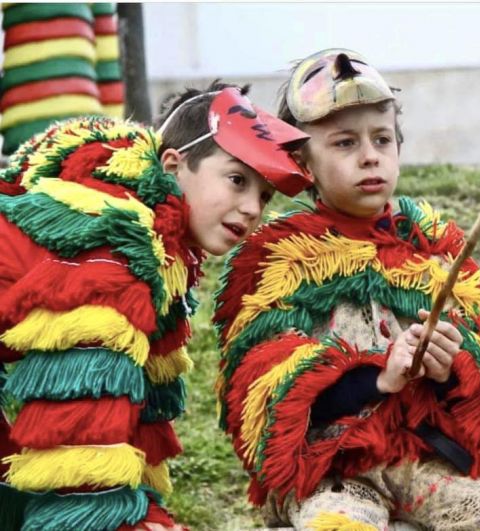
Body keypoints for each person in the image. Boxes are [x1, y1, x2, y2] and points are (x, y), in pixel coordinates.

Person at [213, 48, 480, 530]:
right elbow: (258, 396)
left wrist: (453, 365)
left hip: (427, 464)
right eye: (344, 143)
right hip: (330, 473)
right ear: (304, 164)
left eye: (382, 139)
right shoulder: (279, 259)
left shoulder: (436, 249)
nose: (370, 155)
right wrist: (377, 377)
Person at [0, 81, 312, 530]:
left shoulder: (155, 245)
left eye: (264, 196)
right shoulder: (115, 246)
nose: (250, 209)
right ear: (172, 165)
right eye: (237, 180)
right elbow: (78, 421)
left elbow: (124, 408)